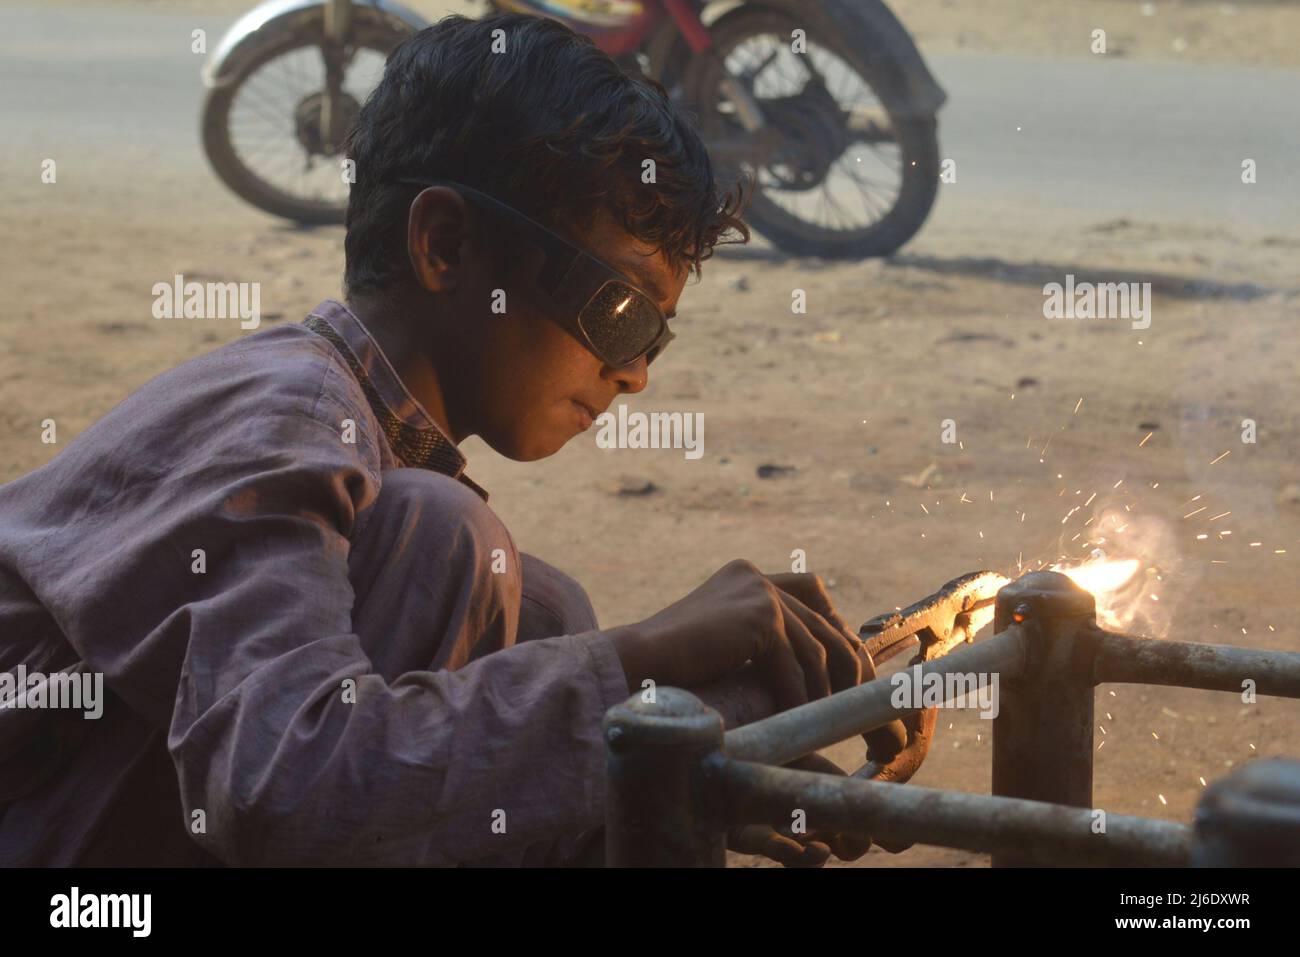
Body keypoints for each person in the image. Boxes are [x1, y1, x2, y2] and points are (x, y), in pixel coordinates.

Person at [0, 12, 925, 867]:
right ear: (444, 245)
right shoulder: (284, 415)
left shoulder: (350, 428)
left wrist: (686, 758)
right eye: (618, 311)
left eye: (654, 336)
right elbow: (280, 789)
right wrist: (645, 655)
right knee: (453, 545)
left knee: (543, 611)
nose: (635, 372)